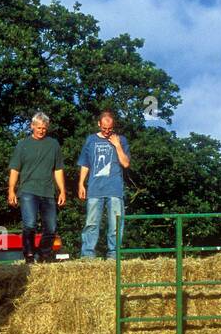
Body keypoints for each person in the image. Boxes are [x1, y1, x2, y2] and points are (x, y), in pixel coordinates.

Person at [7, 112, 66, 263]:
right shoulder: (22, 145)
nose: (41, 130)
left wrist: (62, 191)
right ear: (32, 126)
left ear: (47, 128)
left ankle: (44, 254)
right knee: (30, 224)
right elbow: (15, 169)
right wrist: (11, 190)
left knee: (51, 228)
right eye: (38, 127)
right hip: (28, 190)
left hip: (47, 191)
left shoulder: (53, 145)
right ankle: (29, 254)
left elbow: (58, 170)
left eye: (44, 128)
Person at [77, 109, 131, 259]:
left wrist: (117, 145)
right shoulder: (90, 140)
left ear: (113, 126)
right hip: (94, 189)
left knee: (115, 225)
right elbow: (85, 164)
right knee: (91, 224)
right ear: (99, 124)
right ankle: (87, 255)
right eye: (104, 128)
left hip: (114, 189)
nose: (107, 131)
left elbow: (126, 164)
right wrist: (81, 184)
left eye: (110, 129)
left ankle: (114, 255)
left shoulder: (121, 140)